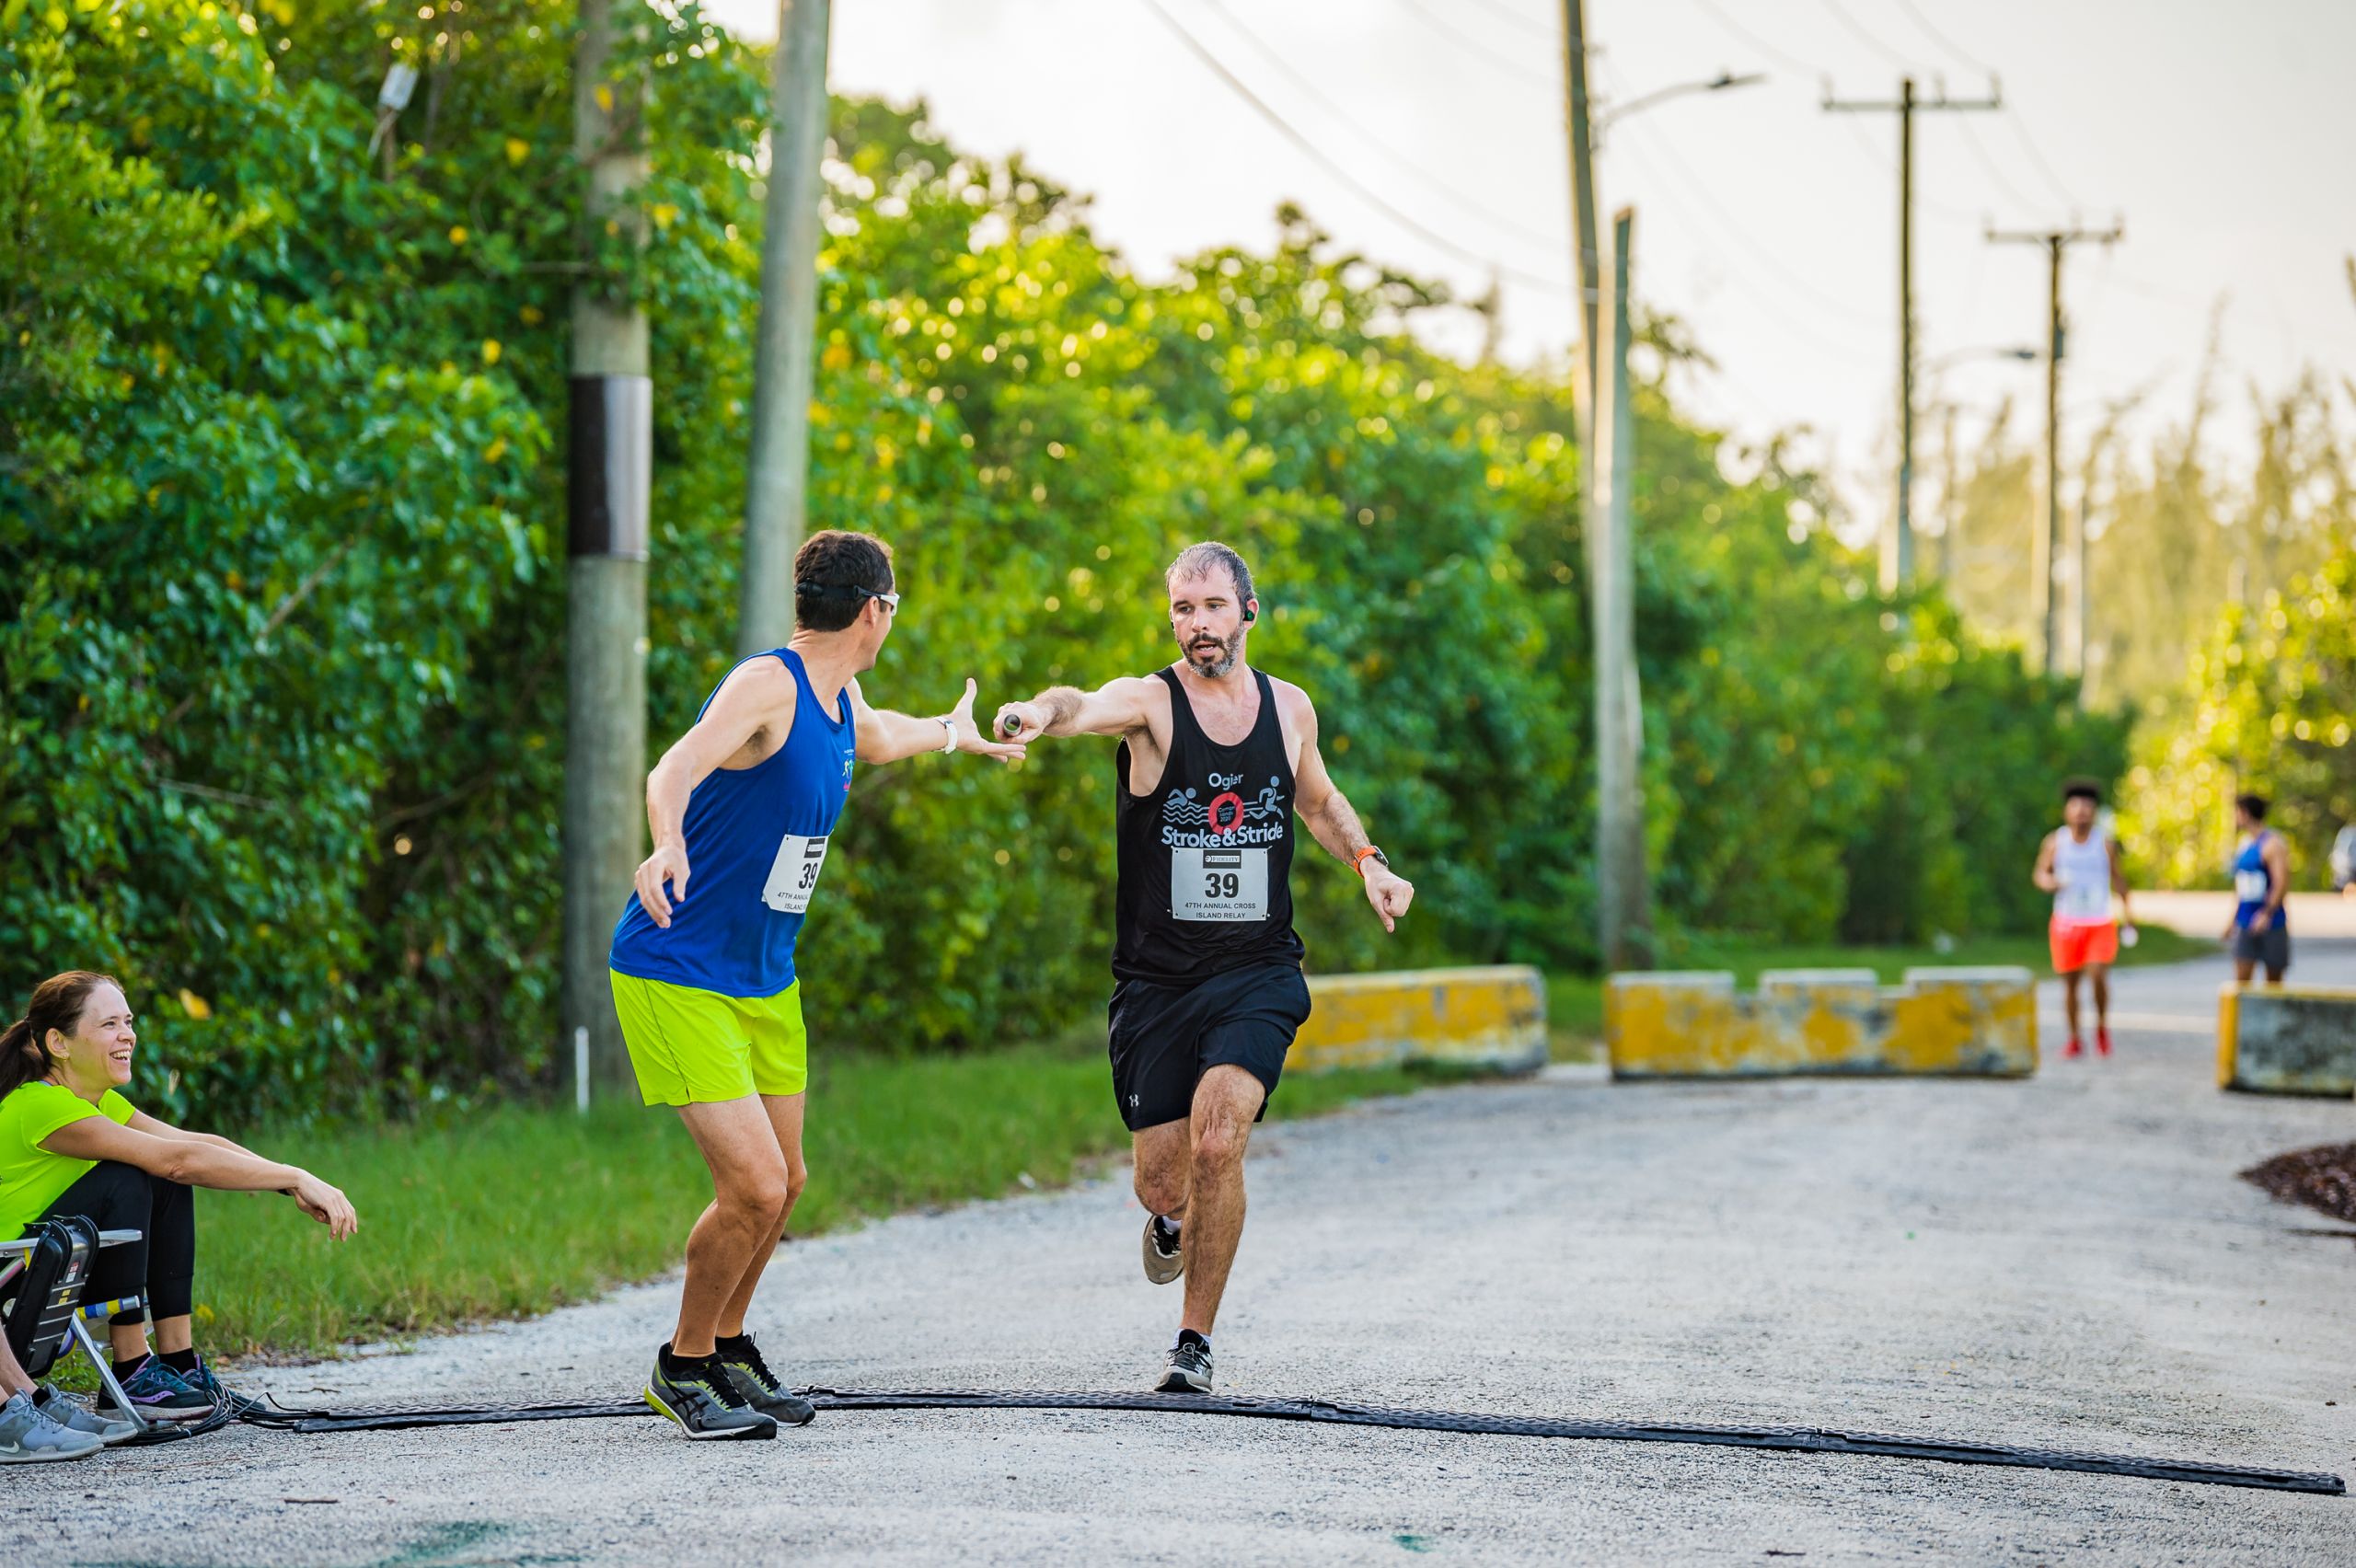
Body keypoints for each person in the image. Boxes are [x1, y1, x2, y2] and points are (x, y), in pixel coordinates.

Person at [609, 529, 1025, 1440]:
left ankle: (725, 1347)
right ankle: (679, 1369)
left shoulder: (838, 697)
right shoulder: (768, 684)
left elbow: (874, 738)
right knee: (752, 1186)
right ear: (874, 609)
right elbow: (672, 765)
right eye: (894, 606)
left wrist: (954, 735)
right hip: (678, 968)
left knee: (787, 1180)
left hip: (763, 978)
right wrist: (666, 838)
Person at [995, 541, 1415, 1395]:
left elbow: (1319, 798)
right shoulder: (1153, 704)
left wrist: (1368, 860)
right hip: (1157, 982)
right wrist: (1039, 713)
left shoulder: (1290, 708)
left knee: (1221, 1140)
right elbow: (1086, 703)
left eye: (1213, 607)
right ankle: (1173, 1218)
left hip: (1256, 970)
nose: (1197, 626)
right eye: (1183, 609)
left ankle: (1193, 1342)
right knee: (1162, 1180)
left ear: (1248, 612)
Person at [0, 971, 359, 1426]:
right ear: (59, 1042)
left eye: (128, 1021)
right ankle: (132, 1368)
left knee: (164, 1177)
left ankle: (177, 1362)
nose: (127, 1035)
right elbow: (177, 1158)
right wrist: (293, 1176)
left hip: (51, 1273)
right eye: (109, 1024)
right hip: (15, 1287)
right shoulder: (40, 1105)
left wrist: (292, 1181)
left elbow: (192, 1143)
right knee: (133, 1173)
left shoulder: (95, 1101)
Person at [2032, 779, 2134, 1058]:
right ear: (2067, 811)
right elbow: (2040, 874)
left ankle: (2101, 1026)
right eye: (2075, 806)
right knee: (2070, 984)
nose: (2081, 812)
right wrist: (2050, 882)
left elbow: (2119, 879)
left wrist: (2128, 916)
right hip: (2066, 921)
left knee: (2098, 975)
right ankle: (2075, 1037)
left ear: (2094, 812)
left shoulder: (2105, 844)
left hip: (2099, 921)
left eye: (2087, 807)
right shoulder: (2055, 842)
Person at [2224, 794, 2291, 983]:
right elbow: (2241, 887)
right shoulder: (2244, 844)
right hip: (2245, 919)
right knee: (2242, 981)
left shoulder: (2272, 844)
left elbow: (2281, 883)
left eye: (2237, 812)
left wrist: (2266, 913)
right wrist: (2232, 920)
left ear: (2245, 813)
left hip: (2271, 920)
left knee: (2273, 981)